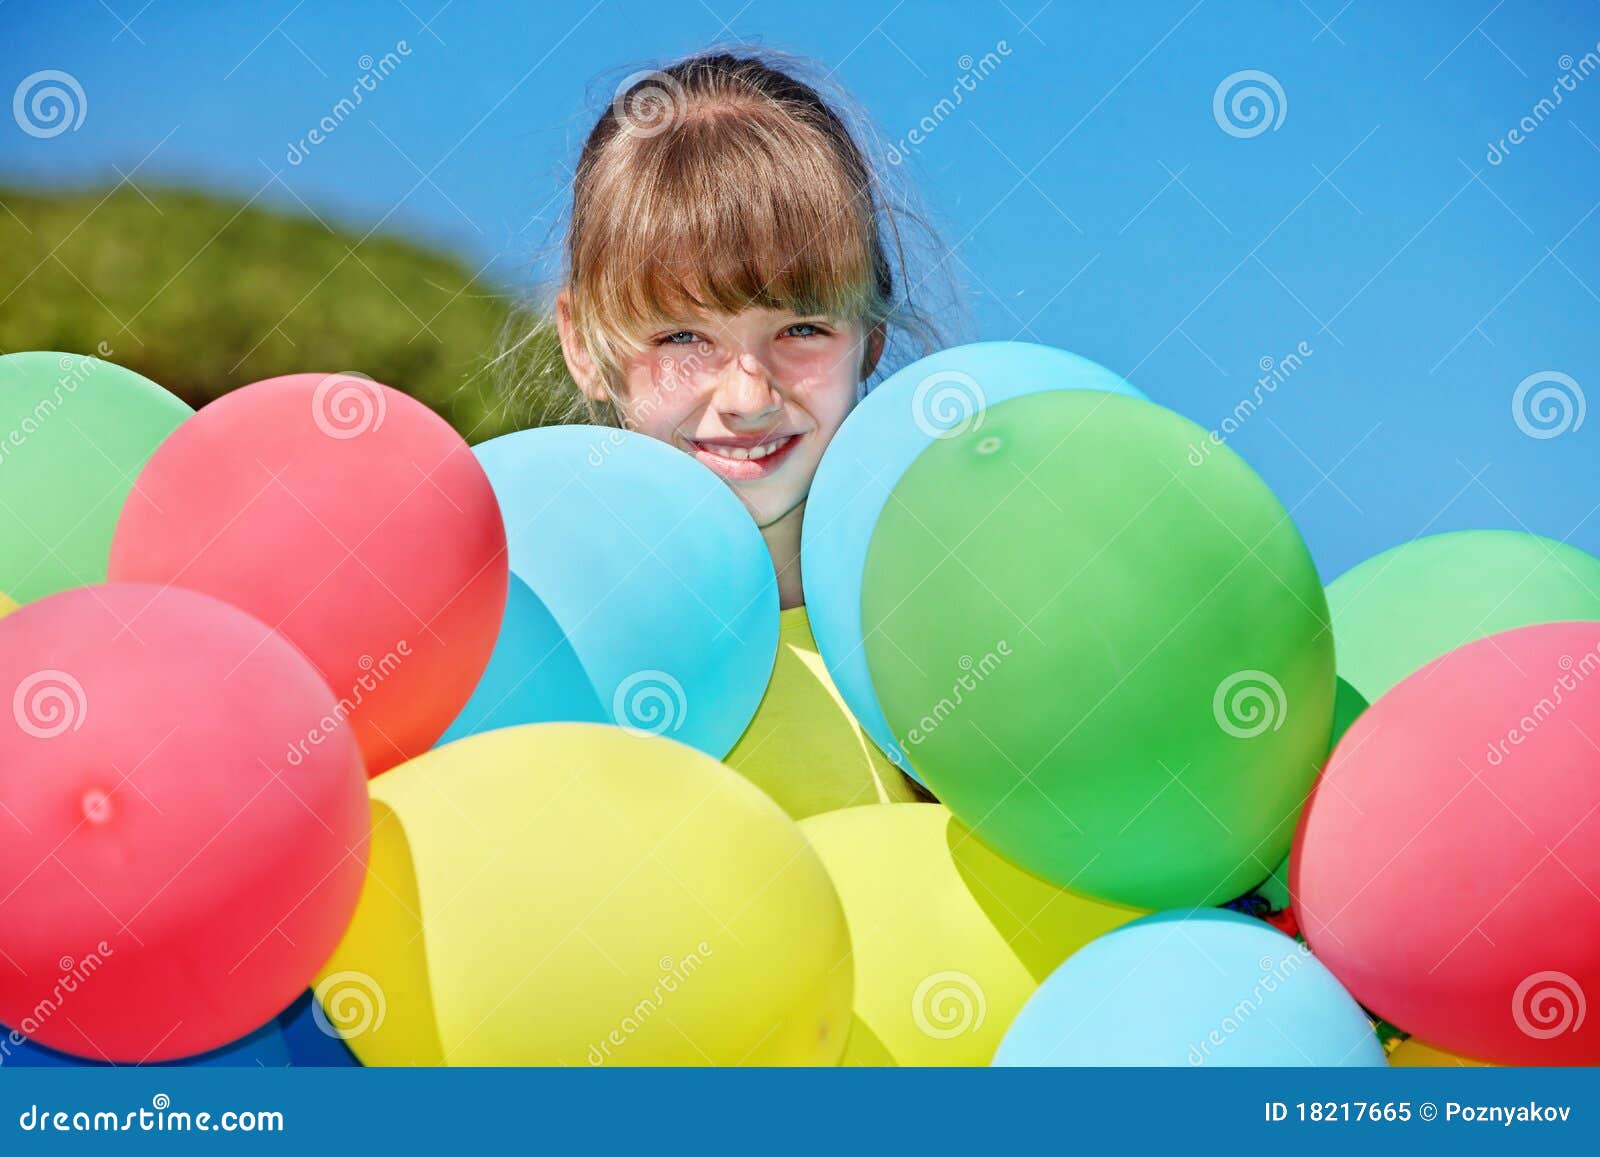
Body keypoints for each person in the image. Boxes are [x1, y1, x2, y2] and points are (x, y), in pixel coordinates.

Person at [526, 49, 956, 816]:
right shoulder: (535, 648)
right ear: (584, 344)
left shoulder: (950, 641)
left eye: (801, 327)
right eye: (682, 337)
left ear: (871, 335)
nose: (748, 396)